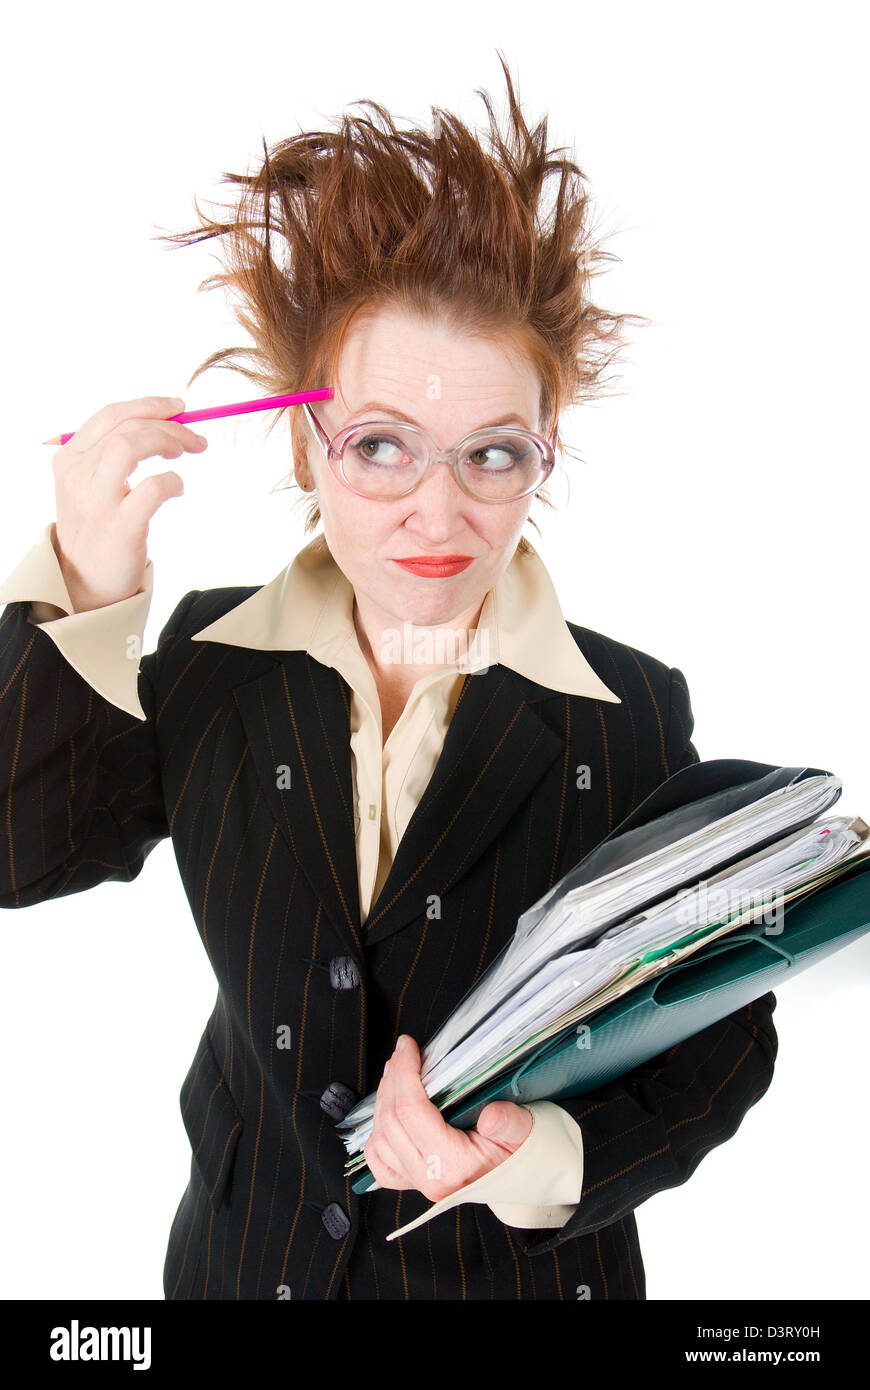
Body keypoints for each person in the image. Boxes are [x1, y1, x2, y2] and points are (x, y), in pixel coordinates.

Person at [0, 58, 776, 1300]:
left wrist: (544, 1156)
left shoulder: (628, 716)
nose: (438, 508)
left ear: (544, 455)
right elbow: (19, 852)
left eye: (491, 455)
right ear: (308, 444)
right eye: (379, 446)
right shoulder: (210, 665)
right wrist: (86, 590)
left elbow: (723, 1026)